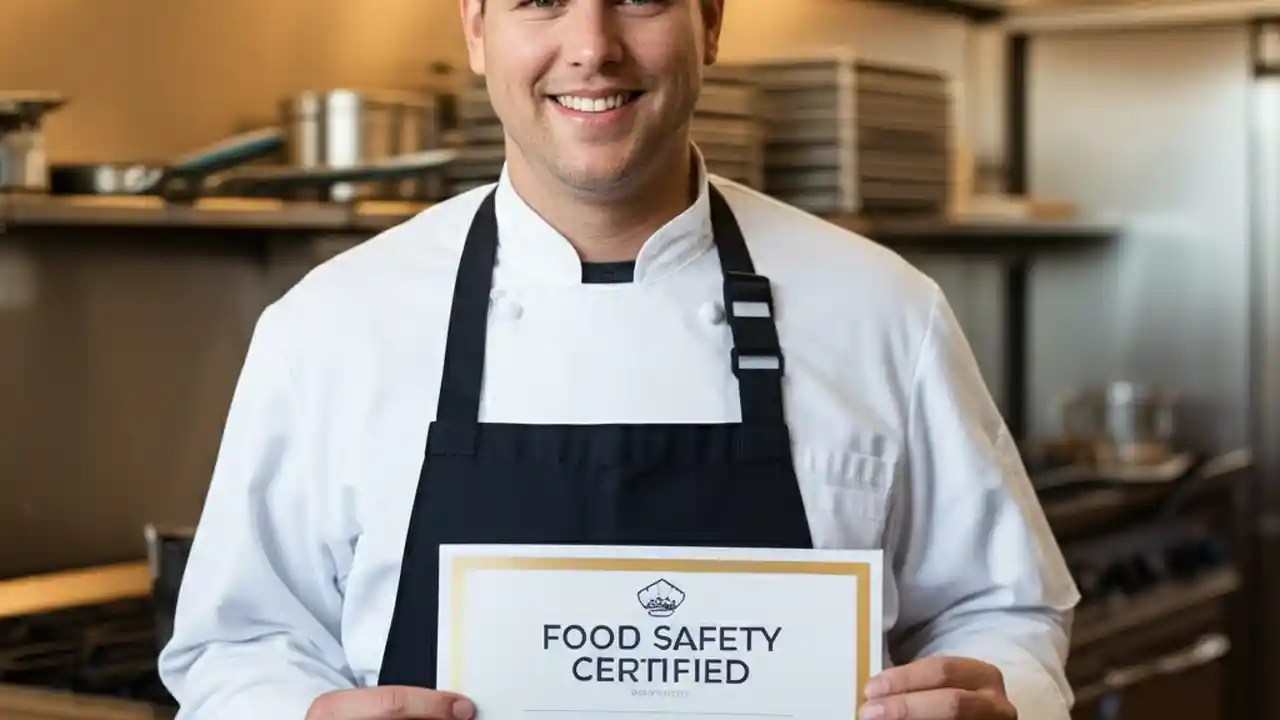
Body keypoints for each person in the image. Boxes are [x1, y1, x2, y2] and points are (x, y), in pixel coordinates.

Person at [158, 0, 1081, 718]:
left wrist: (993, 694)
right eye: (542, 2)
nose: (592, 47)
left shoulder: (884, 312)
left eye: (639, 1)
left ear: (709, 22)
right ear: (477, 30)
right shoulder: (329, 327)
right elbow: (237, 646)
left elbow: (1006, 615)